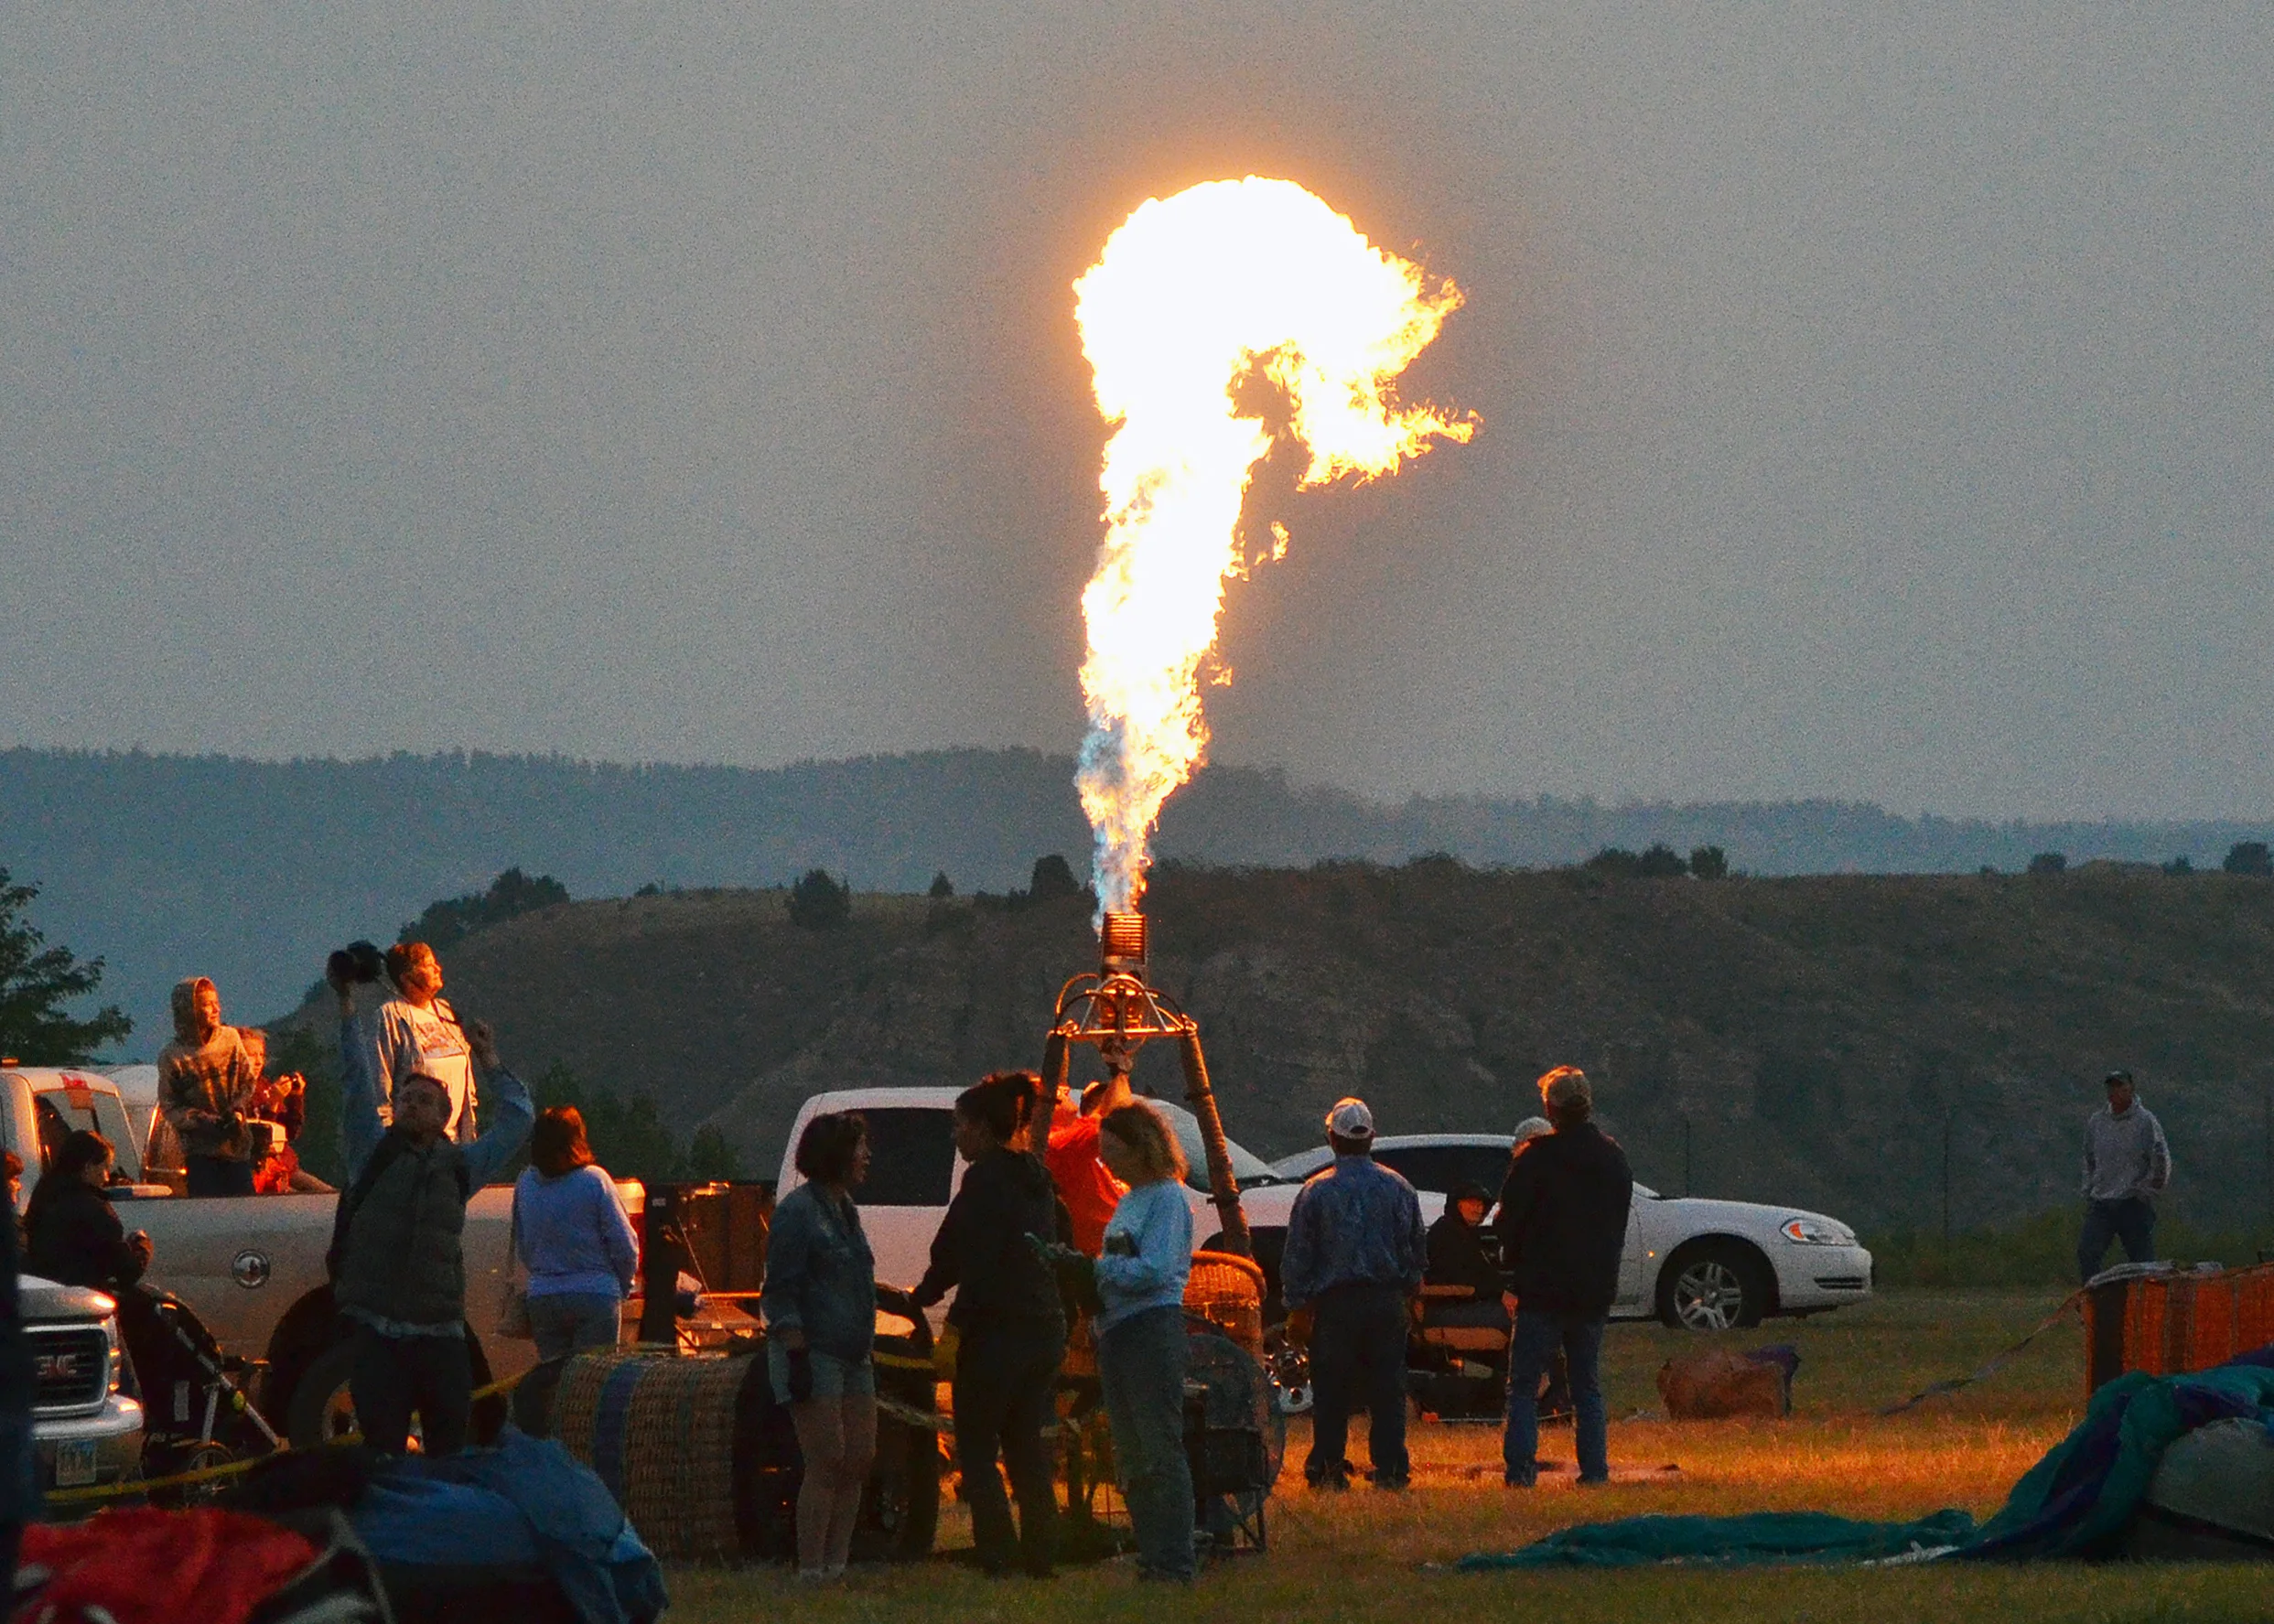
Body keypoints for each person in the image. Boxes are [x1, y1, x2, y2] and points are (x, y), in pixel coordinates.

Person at [333, 1008, 532, 1457]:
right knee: (383, 1454)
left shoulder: (462, 1167)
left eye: (424, 1099)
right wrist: (348, 1007)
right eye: (406, 1097)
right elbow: (355, 1082)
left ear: (446, 1116)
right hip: (374, 1331)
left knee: (449, 1453)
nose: (411, 1104)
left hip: (440, 1336)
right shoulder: (370, 1153)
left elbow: (519, 1119)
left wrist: (488, 1058)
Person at [911, 1073, 1068, 1578]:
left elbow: (963, 1258)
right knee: (1025, 1445)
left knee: (978, 1450)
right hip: (1044, 1330)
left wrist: (932, 1310)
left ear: (980, 1127)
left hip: (996, 1334)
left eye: (959, 1125)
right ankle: (1042, 1555)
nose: (955, 1136)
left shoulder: (983, 1181)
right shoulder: (1038, 1179)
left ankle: (997, 1555)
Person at [1278, 1096, 1427, 1492]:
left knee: (1331, 1390)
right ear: (1372, 1137)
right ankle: (1392, 1468)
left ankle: (1327, 1467)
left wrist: (1297, 1306)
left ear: (1332, 1137)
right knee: (1387, 1389)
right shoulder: (1399, 1188)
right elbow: (1415, 1251)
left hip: (1335, 1305)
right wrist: (1411, 1294)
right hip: (1385, 1302)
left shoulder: (1315, 1192)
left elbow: (1298, 1256)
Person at [1495, 1067, 1632, 1489]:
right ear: (1587, 1105)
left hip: (1541, 1290)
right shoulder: (1612, 1158)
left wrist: (1515, 1261)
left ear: (1549, 1108)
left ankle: (1520, 1473)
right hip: (1591, 1291)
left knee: (1523, 1386)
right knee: (1586, 1385)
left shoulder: (1535, 1158)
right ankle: (1594, 1471)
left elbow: (1508, 1223)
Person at [761, 1113, 878, 1584]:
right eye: (860, 1146)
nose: (867, 1155)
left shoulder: (846, 1208)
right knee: (826, 1458)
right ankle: (811, 1567)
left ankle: (837, 1563)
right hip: (815, 1353)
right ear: (837, 1154)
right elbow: (780, 1289)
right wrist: (795, 1351)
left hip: (855, 1355)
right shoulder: (796, 1213)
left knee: (859, 1457)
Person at [1090, 1102, 1196, 1584]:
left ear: (1141, 1147)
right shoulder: (1129, 1200)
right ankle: (1149, 1552)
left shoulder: (1167, 1199)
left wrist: (1098, 1270)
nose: (1106, 1160)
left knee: (1158, 1446)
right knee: (1130, 1450)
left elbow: (1155, 1268)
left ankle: (1174, 1557)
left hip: (1151, 1328)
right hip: (1116, 1330)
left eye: (1113, 1149)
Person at [513, 1106, 640, 1361]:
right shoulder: (595, 1180)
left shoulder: (526, 1183)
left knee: (554, 1382)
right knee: (592, 1382)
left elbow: (524, 1245)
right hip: (595, 1295)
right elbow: (624, 1244)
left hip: (543, 1296)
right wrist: (623, 1285)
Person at [349, 942, 480, 1165]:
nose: (438, 968)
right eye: (429, 965)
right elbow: (380, 1089)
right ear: (407, 976)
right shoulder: (389, 1016)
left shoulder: (445, 1012)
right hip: (412, 1151)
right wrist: (391, 1149)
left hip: (454, 1145)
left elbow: (468, 1088)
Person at [156, 976, 263, 1197]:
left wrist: (237, 1111)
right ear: (189, 1010)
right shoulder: (173, 1057)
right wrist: (201, 1120)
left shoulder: (230, 1039)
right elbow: (170, 1106)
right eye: (206, 1004)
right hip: (200, 1153)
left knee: (245, 1212)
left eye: (216, 1002)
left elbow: (247, 1080)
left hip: (236, 1148)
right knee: (209, 1212)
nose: (216, 1009)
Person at [24, 1132, 152, 1293]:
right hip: (84, 1299)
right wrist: (141, 1245)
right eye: (105, 1167)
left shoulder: (44, 1195)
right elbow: (127, 1270)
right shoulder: (92, 1209)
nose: (106, 1178)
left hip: (45, 1294)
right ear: (88, 1166)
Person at [2078, 1070, 2172, 1283]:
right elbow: (2088, 1157)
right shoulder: (2097, 1122)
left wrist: (2148, 1191)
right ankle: (2095, 1306)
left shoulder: (2146, 1121)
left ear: (2131, 1089)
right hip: (2102, 1202)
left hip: (2132, 1202)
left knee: (2142, 1264)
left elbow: (2160, 1159)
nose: (2115, 1091)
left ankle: (2147, 1308)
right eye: (2111, 1087)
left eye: (2120, 1086)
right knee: (2087, 1253)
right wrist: (2089, 1189)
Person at [1044, 1073, 1130, 1257]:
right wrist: (1118, 1070)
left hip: (1119, 1250)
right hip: (1098, 1260)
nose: (1066, 1089)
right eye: (1058, 1090)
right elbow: (1117, 1118)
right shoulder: (1061, 1144)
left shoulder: (1078, 1143)